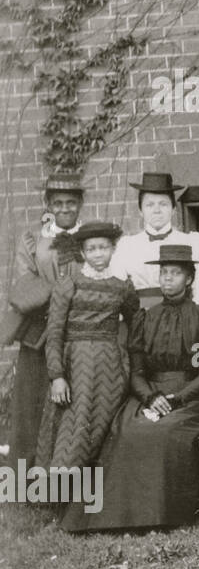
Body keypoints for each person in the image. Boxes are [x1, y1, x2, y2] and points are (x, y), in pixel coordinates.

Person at [64, 244, 199, 533]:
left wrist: (178, 398)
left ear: (189, 279)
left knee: (161, 432)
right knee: (126, 430)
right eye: (163, 273)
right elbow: (137, 372)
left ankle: (159, 514)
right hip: (149, 394)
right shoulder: (146, 319)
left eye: (175, 273)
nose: (167, 279)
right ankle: (113, 517)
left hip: (190, 398)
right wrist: (150, 396)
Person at [35, 222, 139, 472]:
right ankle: (61, 490)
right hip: (75, 366)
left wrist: (126, 360)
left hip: (110, 368)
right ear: (82, 253)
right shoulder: (69, 284)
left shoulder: (122, 286)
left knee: (104, 423)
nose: (98, 254)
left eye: (103, 248)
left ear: (113, 249)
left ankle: (99, 493)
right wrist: (57, 376)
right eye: (91, 249)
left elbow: (136, 321)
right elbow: (55, 333)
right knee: (75, 422)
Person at [3, 173, 83, 464]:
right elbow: (26, 284)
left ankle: (66, 472)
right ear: (48, 205)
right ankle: (26, 478)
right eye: (58, 203)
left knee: (72, 400)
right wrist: (53, 295)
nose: (64, 209)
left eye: (71, 203)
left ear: (80, 204)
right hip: (40, 330)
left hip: (77, 329)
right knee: (31, 402)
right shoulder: (34, 241)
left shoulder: (88, 239)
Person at [110, 171, 199, 314]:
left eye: (163, 204)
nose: (157, 210)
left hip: (182, 316)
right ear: (140, 211)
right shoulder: (127, 245)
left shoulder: (191, 241)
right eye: (149, 205)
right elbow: (117, 290)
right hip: (140, 318)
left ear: (173, 209)